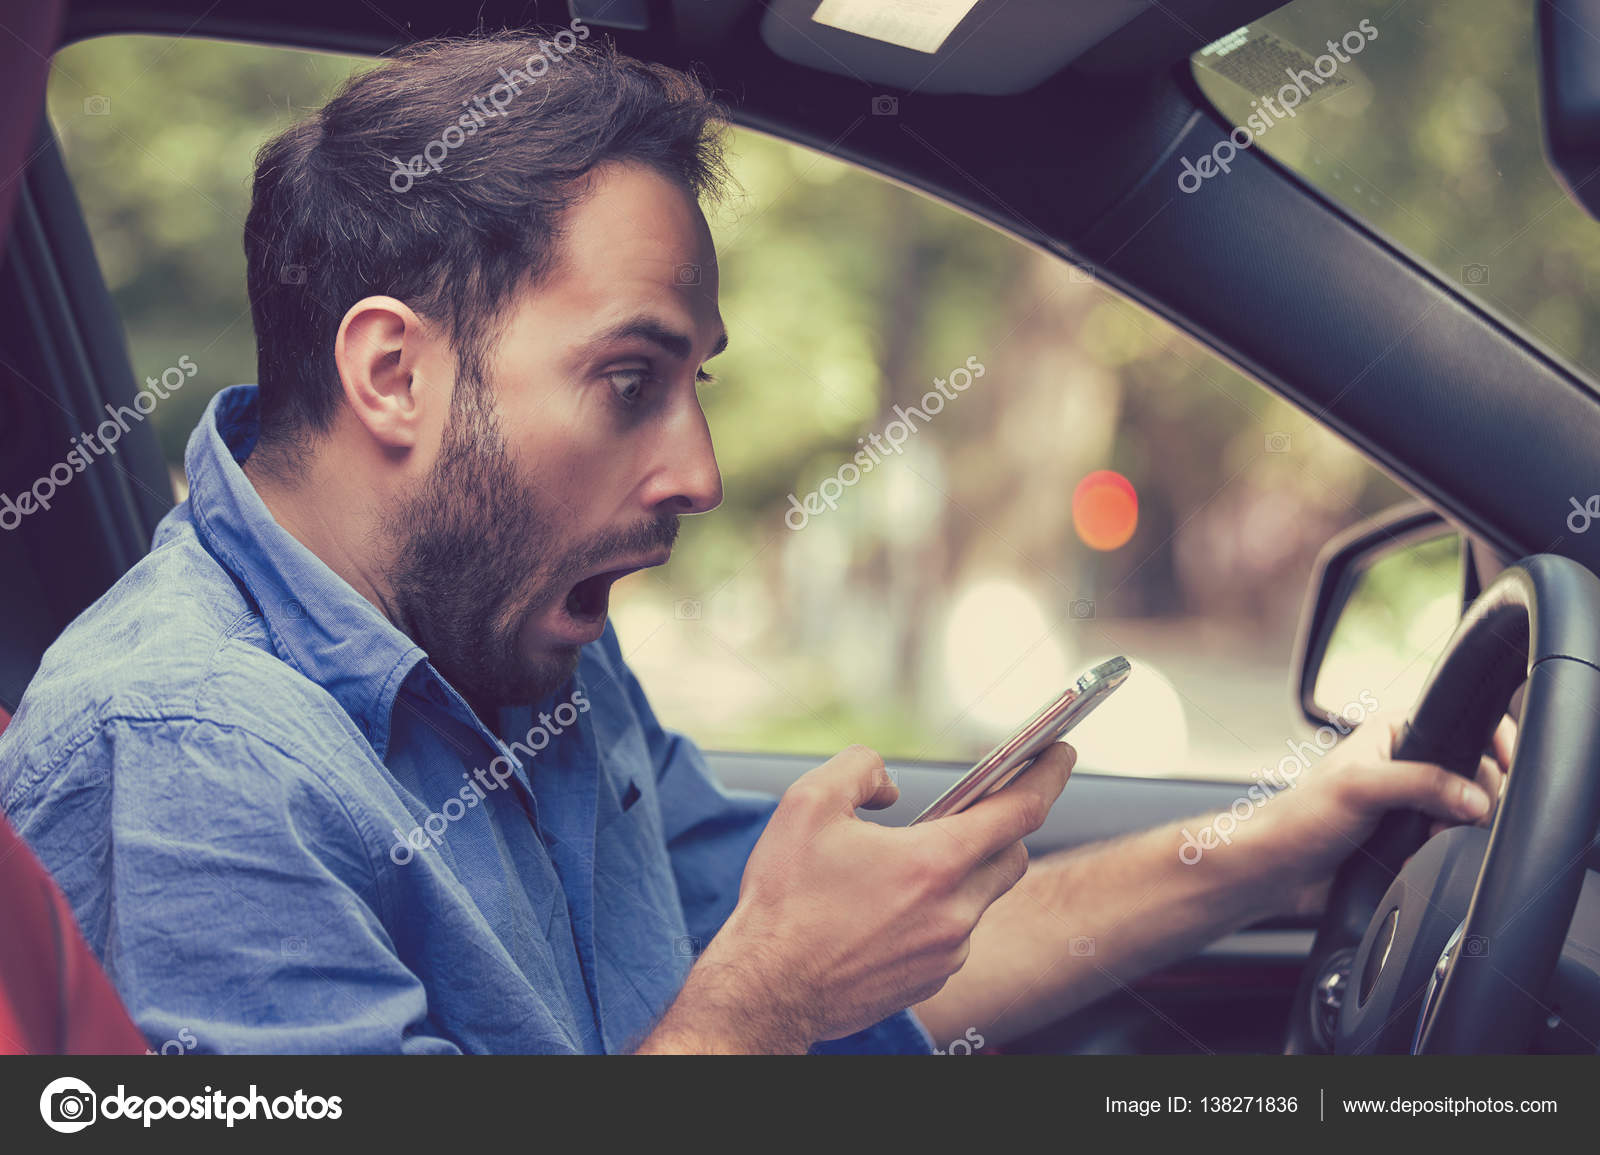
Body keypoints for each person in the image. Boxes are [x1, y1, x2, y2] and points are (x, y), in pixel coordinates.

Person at [0, 32, 1507, 1054]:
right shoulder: (185, 763)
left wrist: (1276, 835)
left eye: (695, 389)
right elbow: (783, 991)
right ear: (394, 373)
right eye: (628, 381)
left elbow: (886, 972)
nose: (702, 471)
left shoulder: (524, 650)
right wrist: (764, 1007)